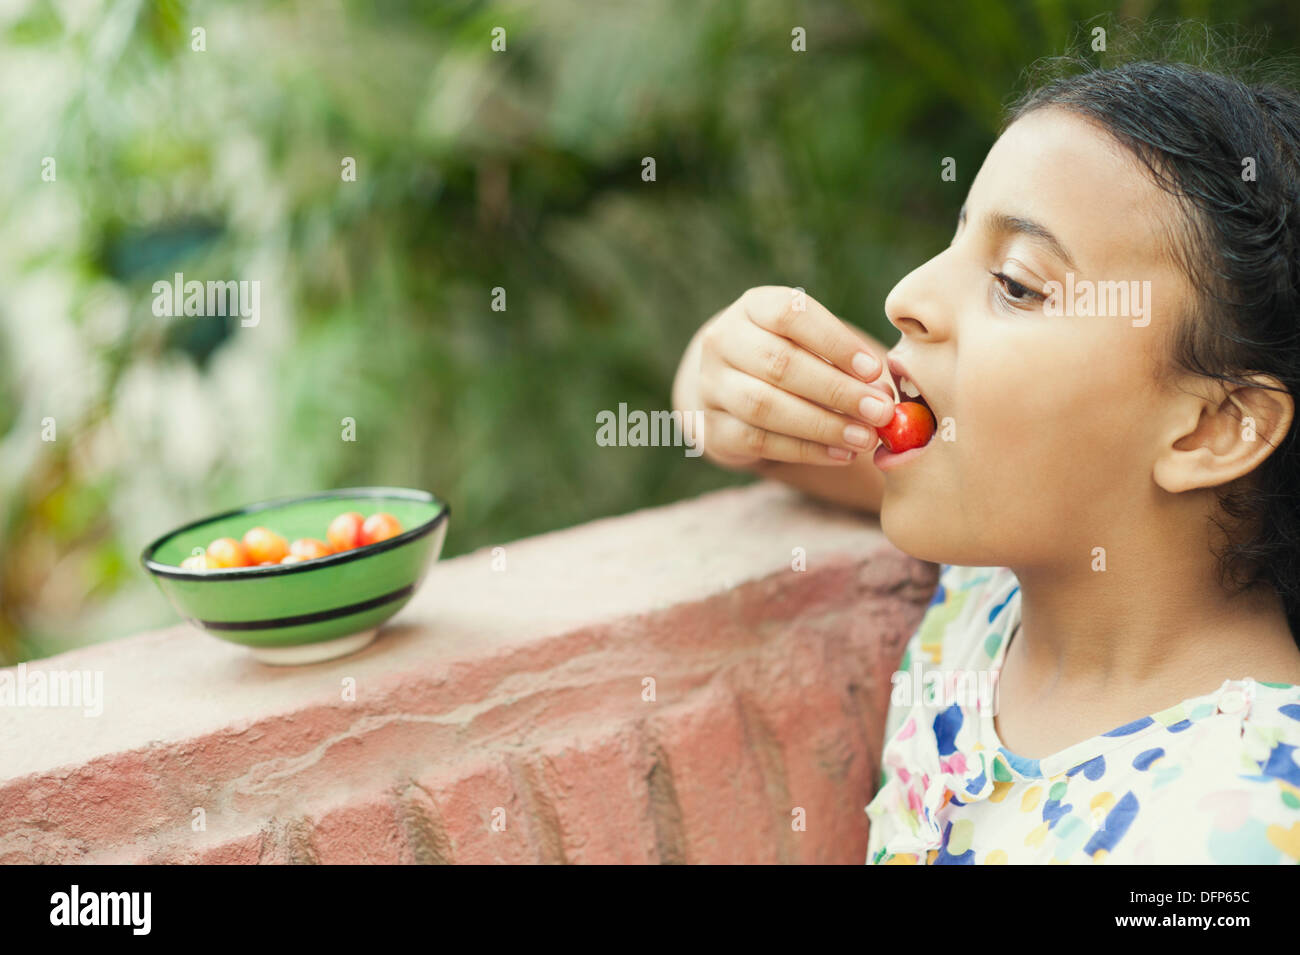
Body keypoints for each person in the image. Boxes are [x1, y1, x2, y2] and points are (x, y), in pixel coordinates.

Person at [670, 56, 1300, 863]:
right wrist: (726, 375)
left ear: (1214, 426)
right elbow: (773, 426)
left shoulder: (1235, 829)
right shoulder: (1004, 576)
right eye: (956, 235)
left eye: (1015, 283)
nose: (906, 294)